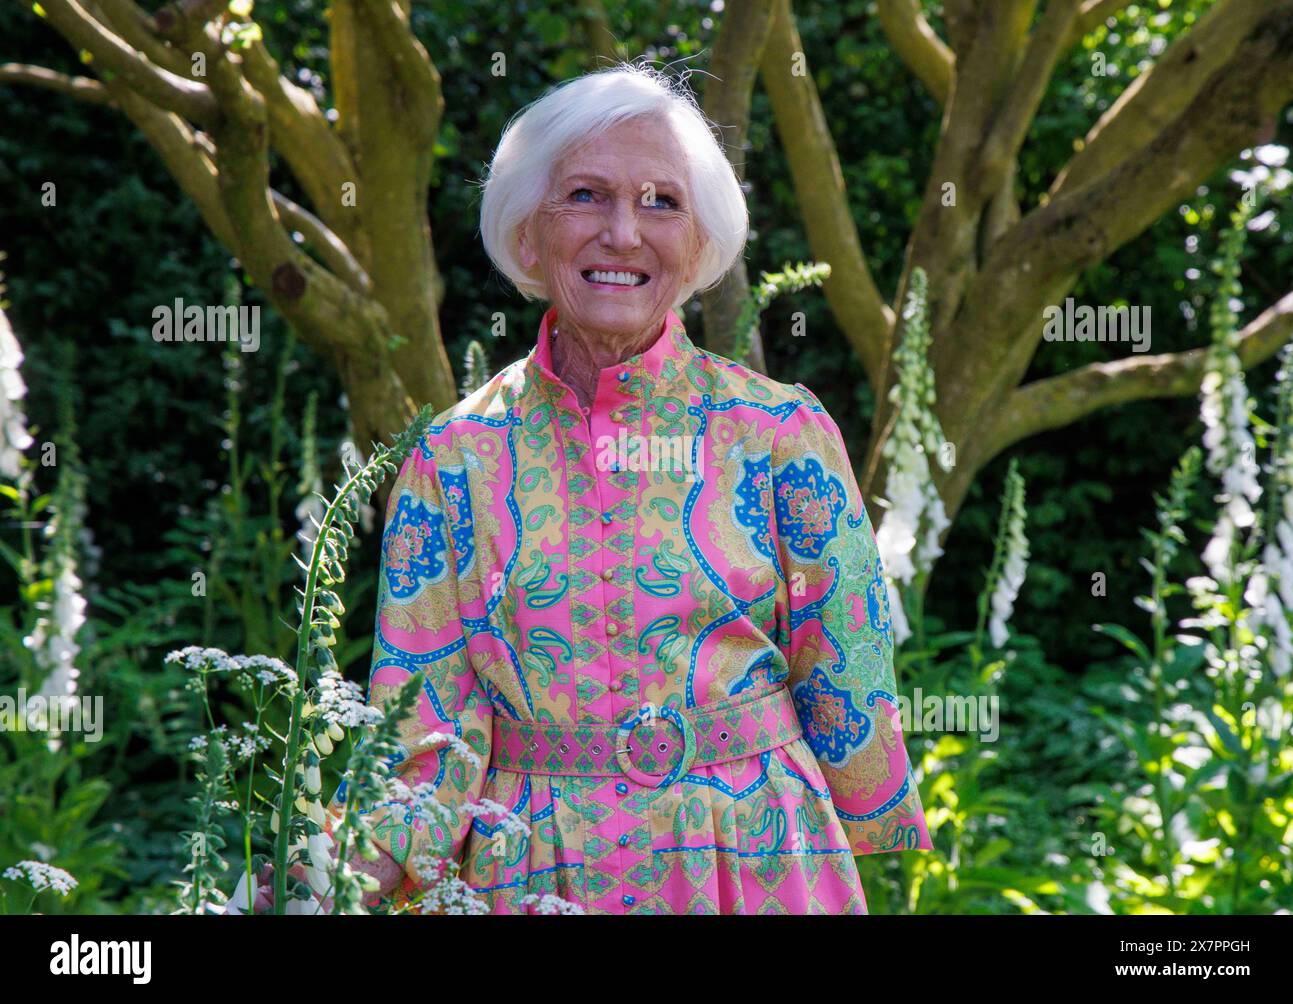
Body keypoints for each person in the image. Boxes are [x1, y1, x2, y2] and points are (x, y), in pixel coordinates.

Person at [250, 62, 932, 915]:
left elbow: (848, 672)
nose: (622, 232)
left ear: (698, 246)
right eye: (584, 196)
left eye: (661, 202)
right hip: (533, 873)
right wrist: (340, 875)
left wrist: (868, 817)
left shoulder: (778, 436)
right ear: (528, 236)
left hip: (753, 862)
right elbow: (425, 725)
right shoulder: (455, 459)